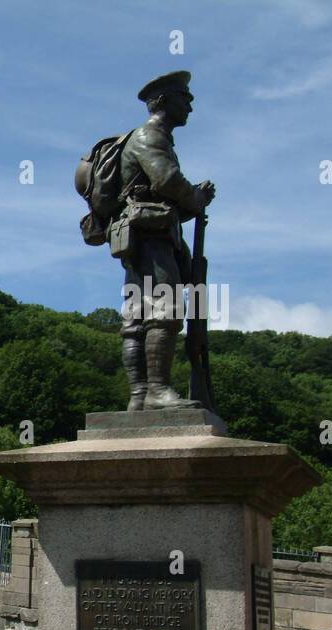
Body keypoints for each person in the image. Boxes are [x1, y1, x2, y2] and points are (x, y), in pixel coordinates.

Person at [112, 70, 216, 410]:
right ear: (161, 101)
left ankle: (140, 396)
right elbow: (167, 181)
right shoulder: (149, 136)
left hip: (146, 235)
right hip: (151, 239)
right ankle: (154, 391)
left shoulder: (154, 138)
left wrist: (192, 202)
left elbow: (160, 194)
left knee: (138, 319)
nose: (189, 105)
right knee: (164, 312)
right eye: (183, 98)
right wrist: (196, 198)